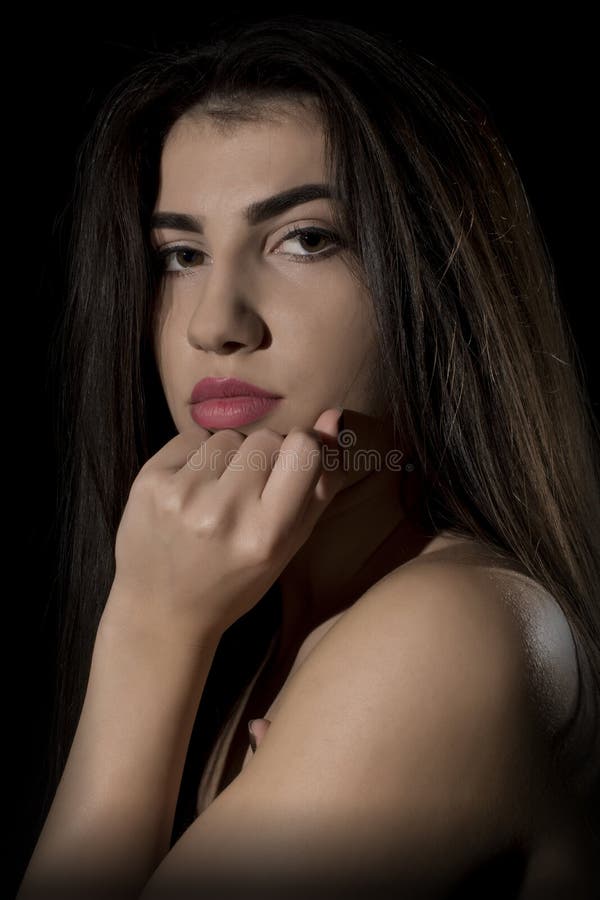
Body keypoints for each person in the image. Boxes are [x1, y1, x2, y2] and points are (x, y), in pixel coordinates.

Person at [17, 15, 600, 899]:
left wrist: (149, 628)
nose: (216, 323)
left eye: (306, 239)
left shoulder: (452, 632)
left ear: (436, 285)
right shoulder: (270, 637)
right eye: (180, 254)